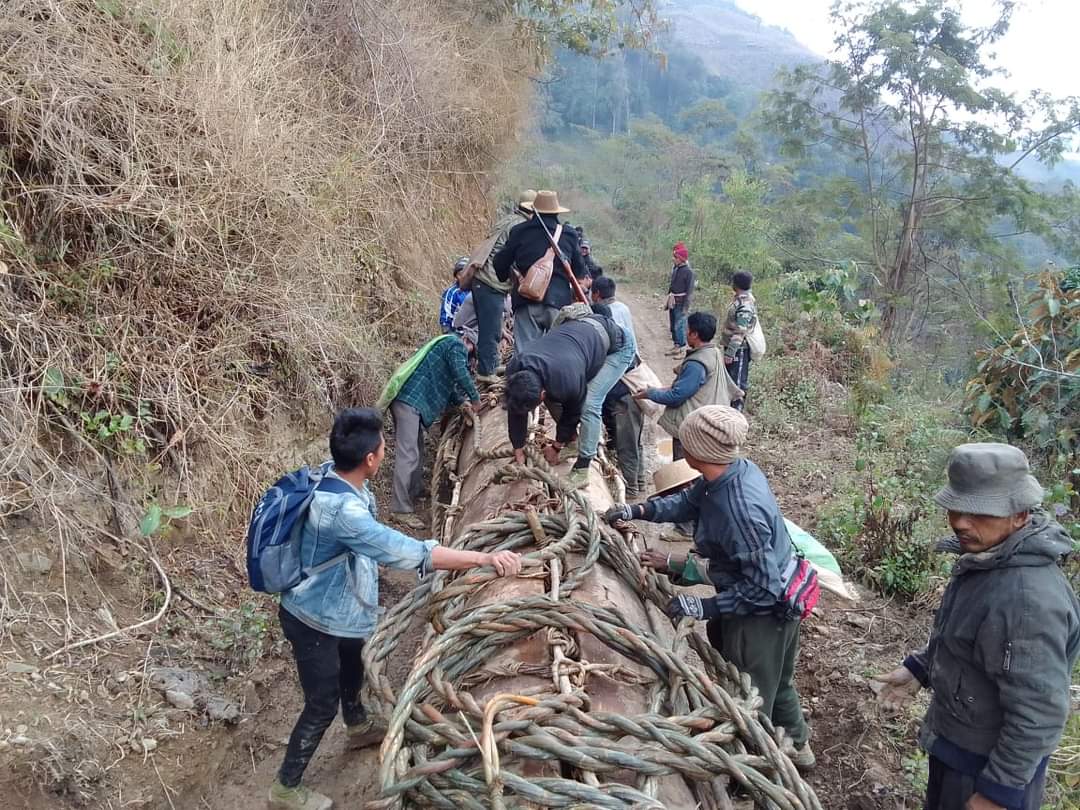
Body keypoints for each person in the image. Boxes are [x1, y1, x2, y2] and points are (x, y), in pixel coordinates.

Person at [269, 408, 523, 810]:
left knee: (354, 659)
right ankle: (285, 787)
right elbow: (408, 552)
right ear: (370, 459)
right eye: (383, 447)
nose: (386, 451)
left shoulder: (333, 477)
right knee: (321, 702)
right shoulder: (343, 513)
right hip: (312, 618)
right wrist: (483, 559)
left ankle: (357, 723)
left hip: (341, 609)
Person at [603, 405, 816, 770]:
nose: (681, 446)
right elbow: (686, 502)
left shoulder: (741, 511)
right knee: (776, 681)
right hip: (768, 596)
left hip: (763, 615)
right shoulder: (730, 473)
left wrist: (704, 607)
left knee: (751, 694)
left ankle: (751, 768)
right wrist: (639, 511)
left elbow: (763, 590)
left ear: (700, 450)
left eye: (685, 441)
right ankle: (799, 747)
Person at [873, 443, 1080, 810]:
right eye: (956, 507)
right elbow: (968, 636)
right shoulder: (988, 558)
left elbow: (1039, 711)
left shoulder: (1027, 601)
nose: (959, 522)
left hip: (986, 768)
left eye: (979, 511)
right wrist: (921, 667)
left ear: (1019, 514)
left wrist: (997, 793)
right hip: (958, 748)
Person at [504, 306, 634, 489]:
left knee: (590, 403)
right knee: (559, 396)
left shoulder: (567, 379)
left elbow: (573, 412)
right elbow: (515, 407)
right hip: (581, 337)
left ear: (541, 394)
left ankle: (582, 469)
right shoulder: (515, 368)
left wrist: (556, 447)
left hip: (619, 346)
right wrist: (518, 450)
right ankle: (572, 441)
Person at [389, 331, 482, 530]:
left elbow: (450, 389)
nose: (469, 357)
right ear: (467, 340)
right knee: (408, 455)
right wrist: (475, 399)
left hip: (411, 404)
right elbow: (460, 373)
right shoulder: (455, 344)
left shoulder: (448, 350)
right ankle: (400, 509)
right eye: (472, 351)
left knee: (417, 450)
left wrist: (462, 402)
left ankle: (415, 490)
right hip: (408, 403)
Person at [492, 189, 589, 353]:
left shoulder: (520, 231)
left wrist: (506, 276)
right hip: (558, 304)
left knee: (525, 354)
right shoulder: (569, 234)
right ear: (556, 212)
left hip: (526, 300)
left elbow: (500, 263)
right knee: (556, 353)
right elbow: (579, 271)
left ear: (534, 210)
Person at [636, 311, 742, 461]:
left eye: (687, 329)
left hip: (692, 429)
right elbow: (689, 387)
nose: (685, 333)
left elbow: (676, 396)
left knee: (684, 469)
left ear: (694, 334)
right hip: (709, 423)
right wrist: (658, 389)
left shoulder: (696, 364)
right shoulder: (714, 352)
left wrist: (650, 394)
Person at [469, 190, 536, 381]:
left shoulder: (509, 220)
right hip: (491, 281)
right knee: (490, 329)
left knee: (491, 326)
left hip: (482, 278)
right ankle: (485, 372)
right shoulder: (521, 226)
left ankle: (489, 363)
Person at [591, 277, 645, 496]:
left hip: (624, 395)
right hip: (633, 389)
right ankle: (639, 481)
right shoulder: (623, 311)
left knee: (626, 443)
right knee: (634, 440)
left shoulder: (614, 345)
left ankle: (631, 488)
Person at [720, 270, 758, 411]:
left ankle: (736, 414)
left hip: (739, 349)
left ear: (735, 284)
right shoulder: (740, 299)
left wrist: (730, 353)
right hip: (733, 347)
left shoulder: (745, 304)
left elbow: (740, 331)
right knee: (729, 381)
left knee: (737, 385)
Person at [665, 242, 694, 356]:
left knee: (679, 325)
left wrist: (686, 306)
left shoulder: (688, 272)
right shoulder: (676, 269)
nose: (673, 259)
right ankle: (676, 345)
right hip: (673, 301)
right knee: (673, 325)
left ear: (681, 259)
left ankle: (682, 348)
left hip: (681, 303)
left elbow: (689, 291)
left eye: (675, 257)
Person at [439, 257, 471, 333]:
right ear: (456, 276)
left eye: (466, 273)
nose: (463, 276)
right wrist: (448, 332)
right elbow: (446, 316)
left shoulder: (478, 291)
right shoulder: (452, 293)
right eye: (460, 274)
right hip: (458, 333)